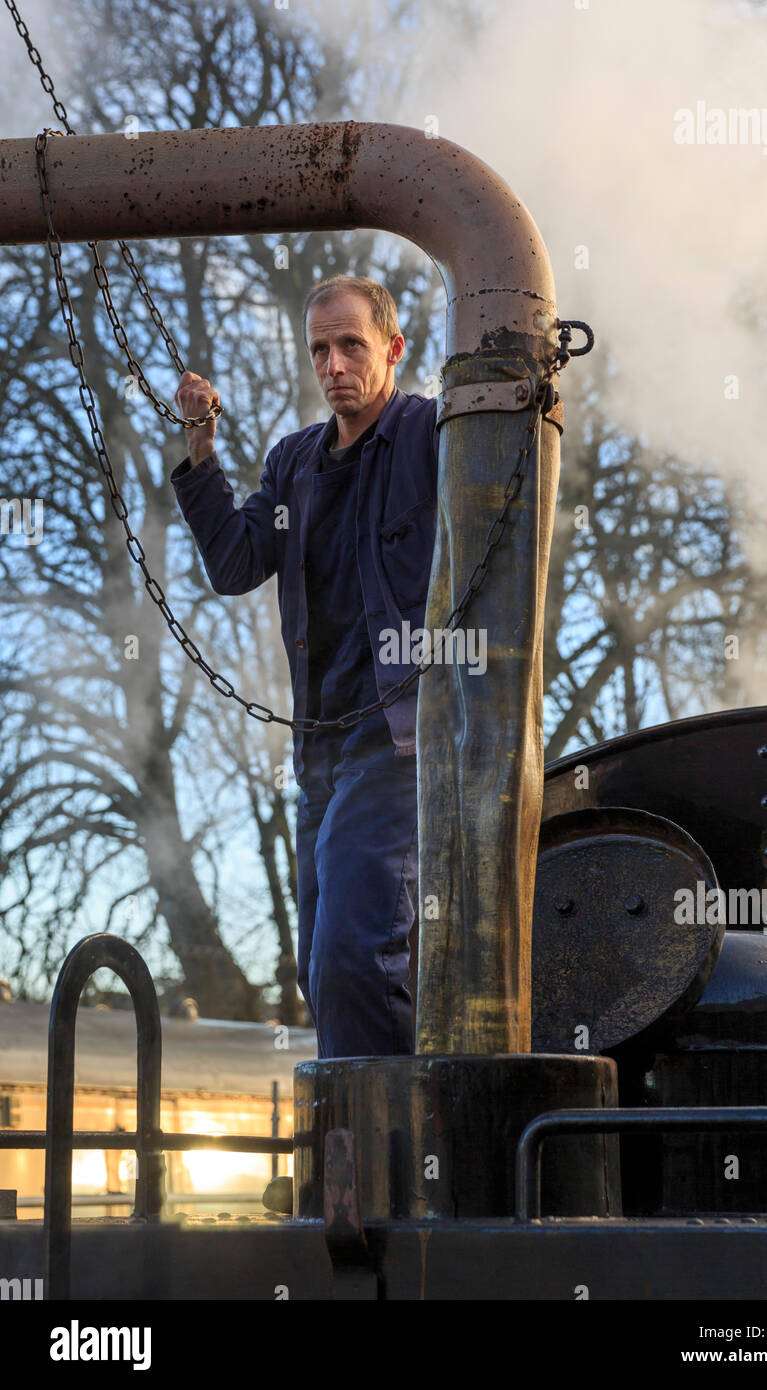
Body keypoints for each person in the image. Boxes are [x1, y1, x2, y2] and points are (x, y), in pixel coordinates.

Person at [171, 275, 440, 1058]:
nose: (333, 364)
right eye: (319, 349)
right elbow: (233, 562)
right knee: (318, 968)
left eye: (351, 344)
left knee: (355, 950)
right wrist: (201, 448)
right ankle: (365, 1144)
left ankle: (387, 1156)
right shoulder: (294, 462)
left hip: (396, 745)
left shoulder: (429, 434)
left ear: (392, 349)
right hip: (318, 755)